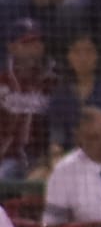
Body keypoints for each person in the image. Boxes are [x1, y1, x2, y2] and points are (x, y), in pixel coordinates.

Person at [47, 30, 101, 156]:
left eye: (89, 51)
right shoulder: (61, 92)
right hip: (72, 156)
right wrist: (56, 153)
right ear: (68, 56)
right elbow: (57, 133)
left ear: (98, 55)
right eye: (76, 52)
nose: (83, 58)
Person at [0, 18, 58, 181]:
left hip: (43, 159)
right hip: (8, 158)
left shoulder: (55, 82)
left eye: (38, 42)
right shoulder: (2, 80)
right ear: (12, 47)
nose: (36, 48)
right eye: (27, 43)